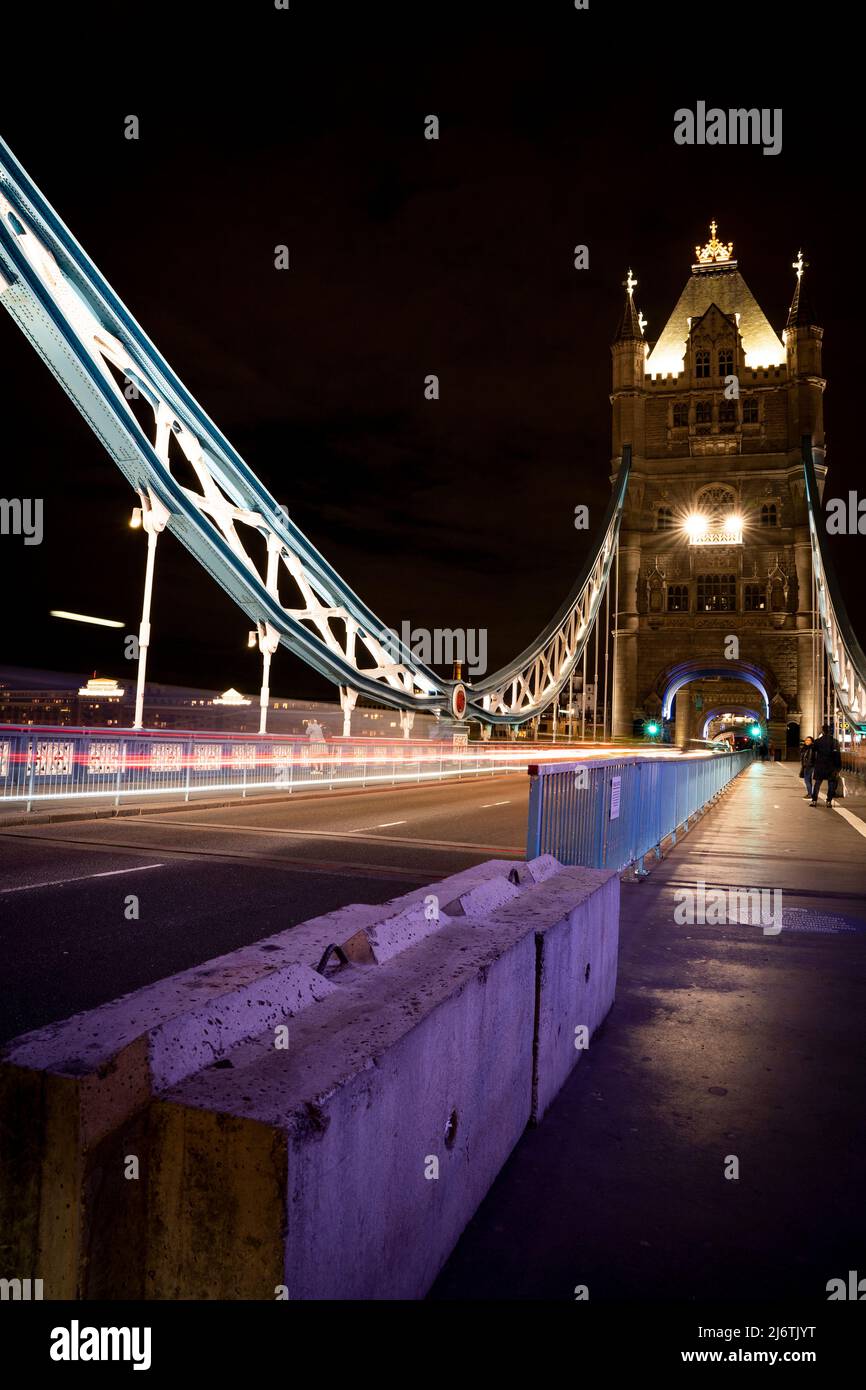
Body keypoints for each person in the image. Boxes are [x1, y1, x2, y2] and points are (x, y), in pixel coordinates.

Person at [809, 723, 841, 808]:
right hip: (831, 766)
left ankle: (814, 800)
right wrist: (838, 768)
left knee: (817, 784)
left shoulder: (817, 741)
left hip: (820, 766)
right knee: (831, 784)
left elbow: (813, 753)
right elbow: (838, 755)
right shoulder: (835, 742)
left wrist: (812, 763)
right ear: (830, 731)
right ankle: (828, 801)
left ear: (822, 731)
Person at [800, 736, 815, 800]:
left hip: (808, 766)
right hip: (806, 766)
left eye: (809, 740)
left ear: (811, 741)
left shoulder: (811, 748)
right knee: (809, 780)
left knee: (807, 780)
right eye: (806, 740)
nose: (807, 741)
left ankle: (810, 794)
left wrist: (807, 766)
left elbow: (810, 759)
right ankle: (810, 793)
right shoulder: (805, 748)